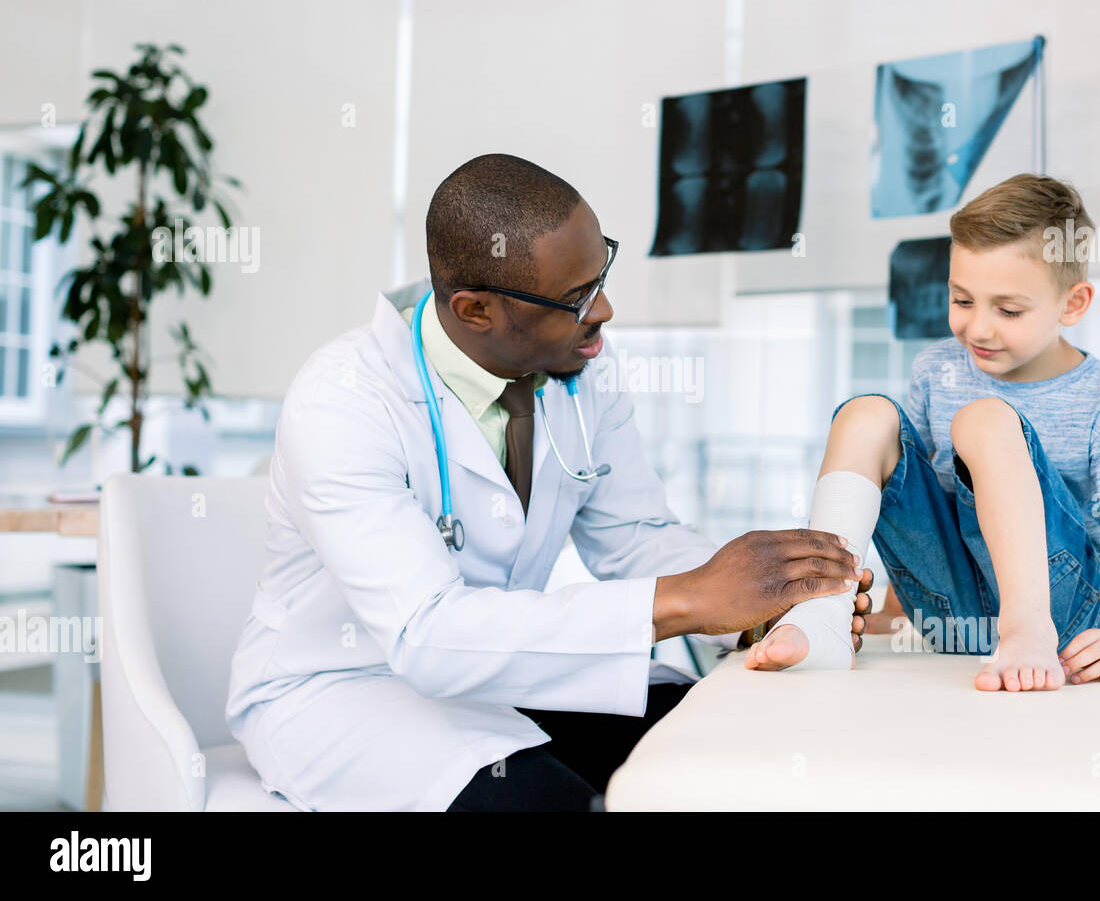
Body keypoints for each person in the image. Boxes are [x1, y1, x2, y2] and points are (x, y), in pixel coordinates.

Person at [225, 153, 871, 811]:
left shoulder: (579, 361)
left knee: (706, 737)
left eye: (602, 276)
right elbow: (424, 633)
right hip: (343, 691)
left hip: (503, 673)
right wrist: (690, 599)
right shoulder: (343, 401)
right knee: (543, 804)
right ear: (475, 310)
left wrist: (763, 609)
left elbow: (635, 537)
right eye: (576, 300)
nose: (606, 312)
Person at [745, 173, 1100, 692]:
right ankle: (821, 616)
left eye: (1007, 310)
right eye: (962, 301)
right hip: (951, 613)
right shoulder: (935, 369)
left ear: (1072, 304)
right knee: (866, 412)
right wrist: (888, 615)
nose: (977, 328)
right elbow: (918, 505)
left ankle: (1024, 626)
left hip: (1059, 618)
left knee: (983, 418)